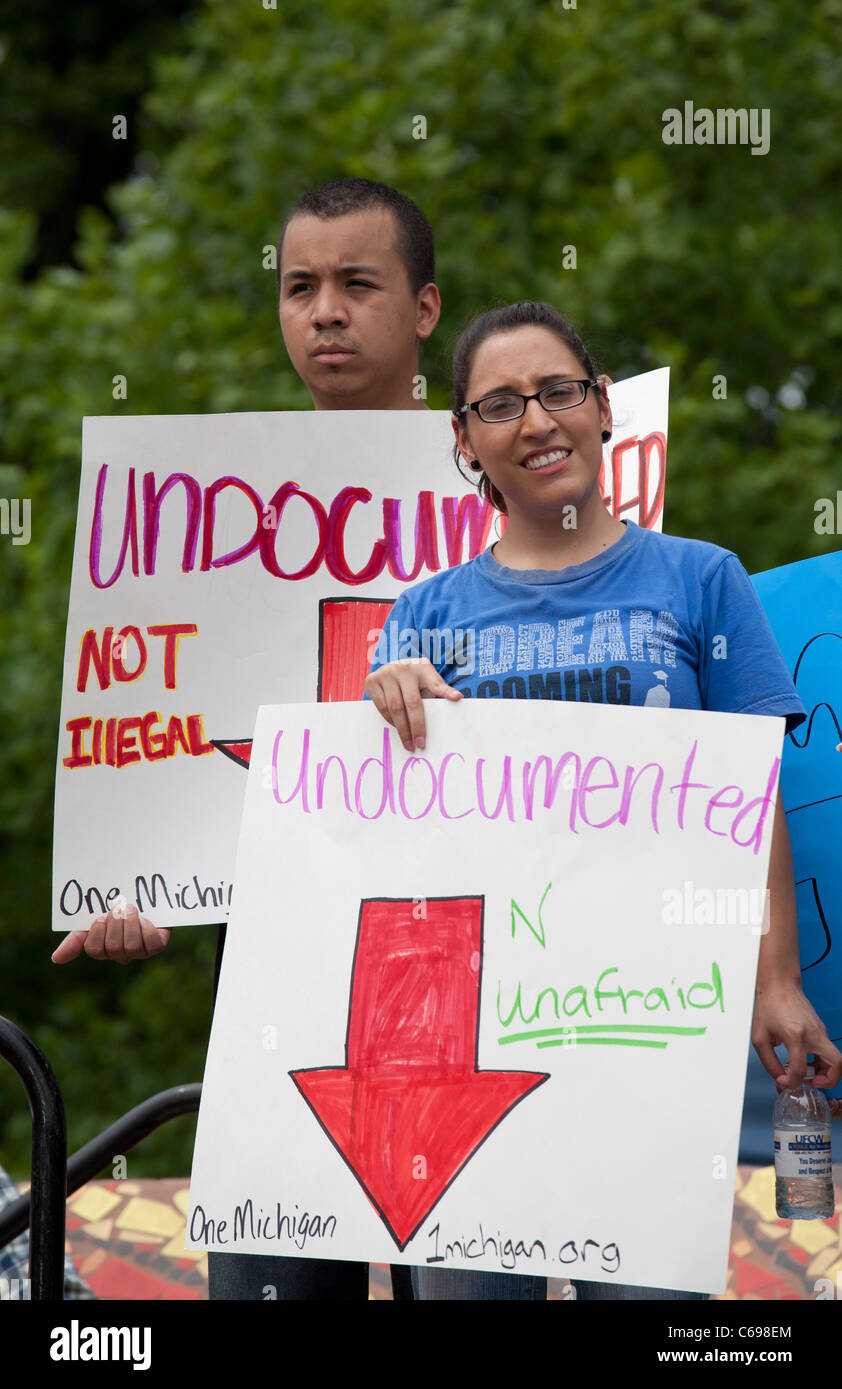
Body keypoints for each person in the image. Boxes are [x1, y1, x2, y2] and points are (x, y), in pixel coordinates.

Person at [364, 299, 842, 1300]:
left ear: (602, 407)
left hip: (667, 1032)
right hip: (481, 1048)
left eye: (557, 391)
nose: (535, 421)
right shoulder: (421, 615)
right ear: (463, 442)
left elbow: (747, 799)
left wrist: (776, 981)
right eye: (498, 404)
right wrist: (380, 707)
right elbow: (382, 847)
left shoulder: (700, 579)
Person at [51, 177, 441, 1301]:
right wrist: (137, 883)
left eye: (356, 284)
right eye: (298, 286)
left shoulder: (513, 484)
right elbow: (166, 763)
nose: (323, 311)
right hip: (275, 986)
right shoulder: (209, 514)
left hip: (470, 965)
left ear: (422, 309)